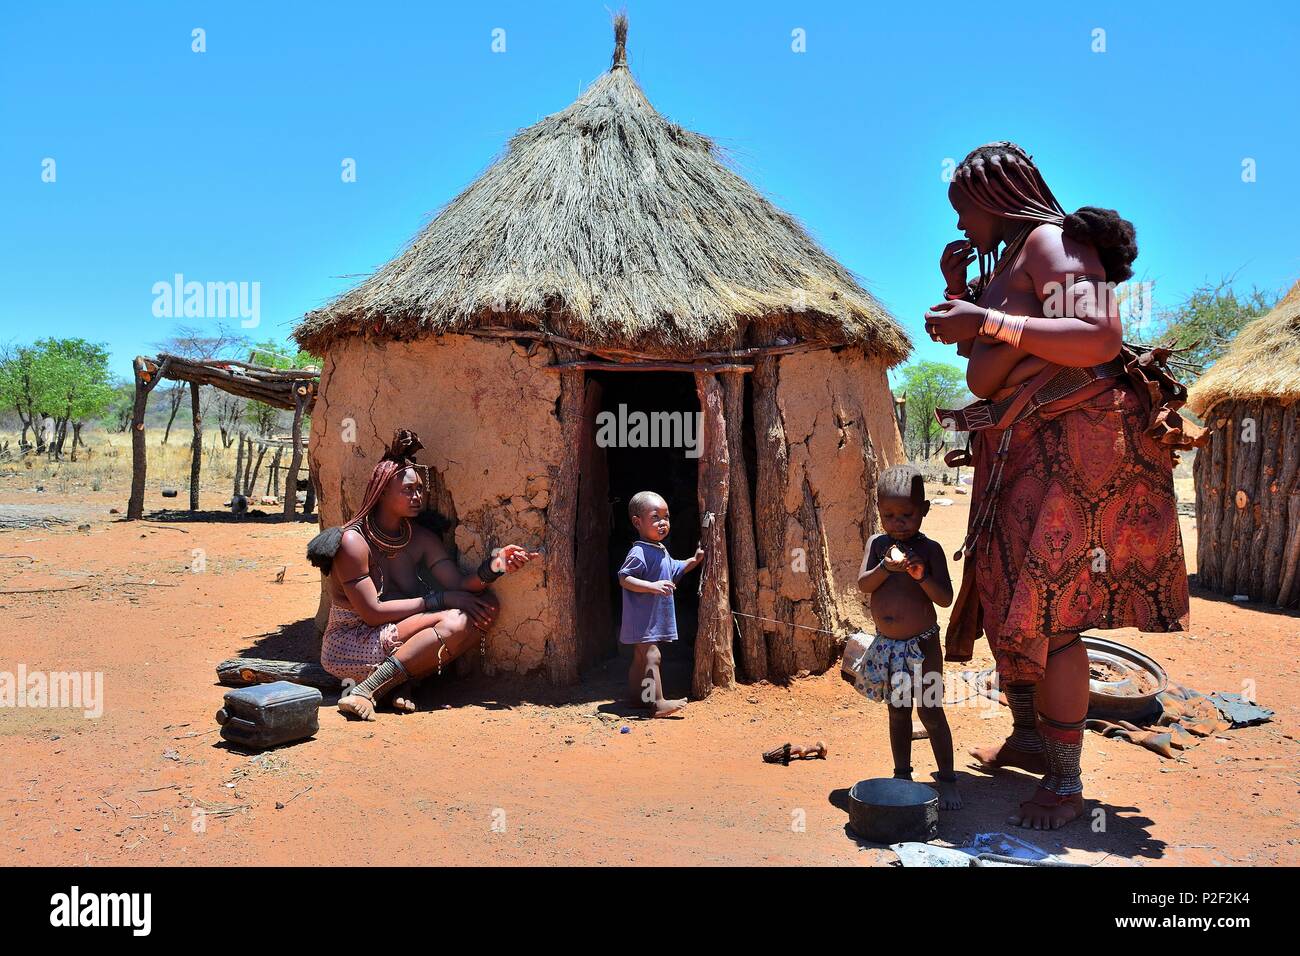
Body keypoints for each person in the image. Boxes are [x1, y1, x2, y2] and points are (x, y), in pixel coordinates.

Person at [925, 142, 1191, 829]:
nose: (962, 227)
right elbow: (994, 353)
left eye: (965, 213)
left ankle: (1066, 784)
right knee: (1005, 590)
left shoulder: (1050, 242)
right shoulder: (1011, 260)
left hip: (1073, 448)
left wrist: (982, 315)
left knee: (1054, 611)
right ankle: (1028, 736)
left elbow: (1098, 336)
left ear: (994, 198)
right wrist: (960, 294)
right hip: (1020, 445)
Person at [316, 430, 539, 720]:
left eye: (420, 489)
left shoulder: (420, 538)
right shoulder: (352, 543)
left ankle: (398, 684)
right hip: (352, 644)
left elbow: (460, 584)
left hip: (401, 635)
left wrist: (495, 565)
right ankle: (367, 689)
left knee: (486, 606)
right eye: (408, 490)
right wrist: (441, 598)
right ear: (382, 491)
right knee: (452, 619)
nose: (418, 496)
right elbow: (372, 613)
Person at [856, 465, 960, 810]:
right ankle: (902, 776)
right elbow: (863, 585)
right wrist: (884, 568)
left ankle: (948, 779)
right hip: (889, 647)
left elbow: (944, 598)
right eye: (889, 514)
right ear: (878, 511)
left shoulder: (929, 550)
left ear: (925, 510)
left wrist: (920, 575)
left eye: (907, 514)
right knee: (898, 711)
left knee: (930, 712)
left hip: (923, 645)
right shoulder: (877, 545)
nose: (898, 522)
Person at [617, 491, 704, 718]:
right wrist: (652, 586)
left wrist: (692, 561)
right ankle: (657, 703)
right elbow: (624, 577)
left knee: (640, 658)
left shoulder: (659, 550)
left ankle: (637, 698)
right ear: (638, 522)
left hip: (648, 619)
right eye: (655, 517)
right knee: (652, 656)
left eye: (666, 517)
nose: (663, 522)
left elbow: (674, 568)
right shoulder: (639, 551)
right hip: (642, 618)